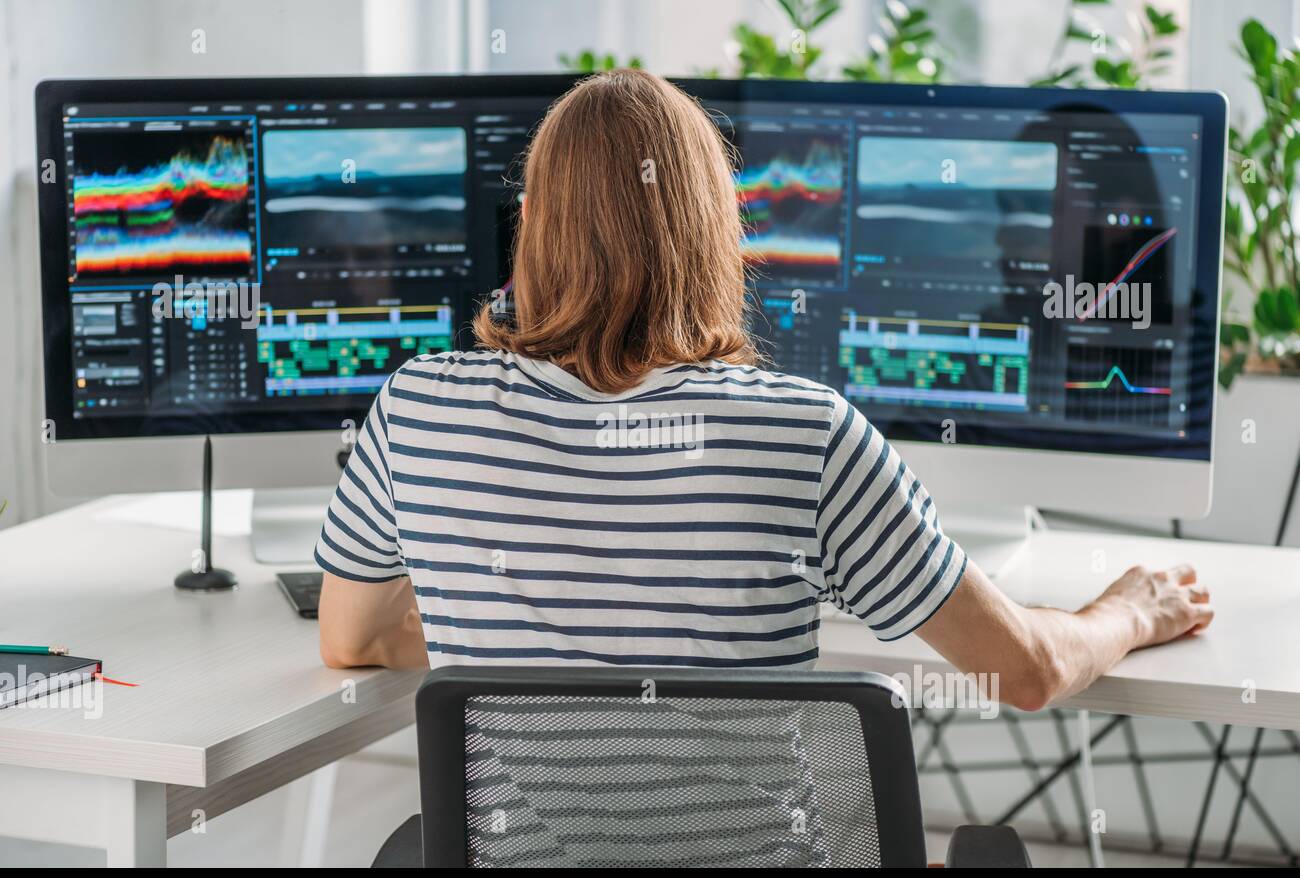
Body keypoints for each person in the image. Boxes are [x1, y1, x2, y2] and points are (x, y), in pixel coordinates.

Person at [314, 69, 1212, 711]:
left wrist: (527, 653)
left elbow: (351, 641)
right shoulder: (807, 434)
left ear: (534, 228)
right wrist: (1127, 610)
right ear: (715, 232)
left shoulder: (417, 408)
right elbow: (1026, 672)